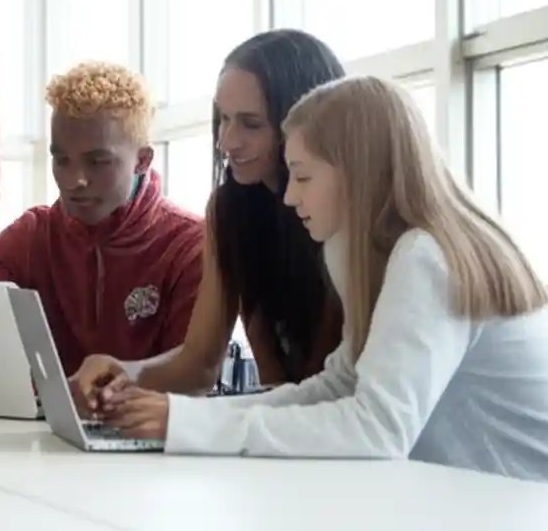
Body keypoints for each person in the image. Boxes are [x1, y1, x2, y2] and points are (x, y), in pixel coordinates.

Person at [101, 75, 548, 488]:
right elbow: (339, 386)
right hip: (465, 497)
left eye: (303, 176)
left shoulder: (427, 256)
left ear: (359, 173)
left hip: (528, 507)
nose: (290, 197)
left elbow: (376, 429)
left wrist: (189, 424)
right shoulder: (375, 251)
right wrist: (183, 418)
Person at [70, 30, 346, 406]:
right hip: (289, 427)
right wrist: (121, 372)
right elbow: (200, 363)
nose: (226, 141)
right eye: (223, 119)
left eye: (251, 124)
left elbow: (345, 386)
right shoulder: (231, 210)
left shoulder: (350, 213)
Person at [0, 62, 202, 375]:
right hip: (40, 424)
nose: (74, 180)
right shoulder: (32, 234)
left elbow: (193, 375)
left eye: (98, 162)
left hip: (150, 423)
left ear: (142, 160)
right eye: (62, 160)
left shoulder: (190, 246)